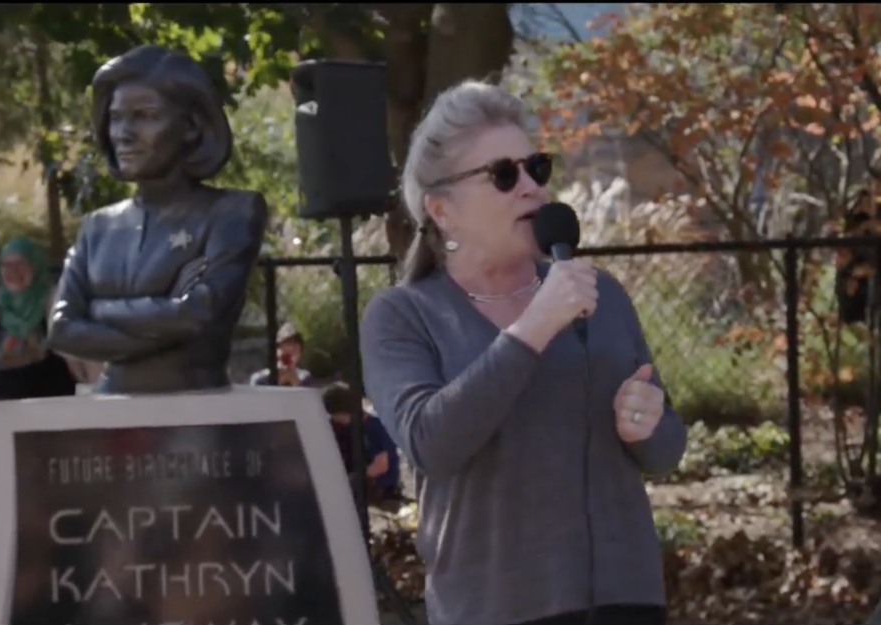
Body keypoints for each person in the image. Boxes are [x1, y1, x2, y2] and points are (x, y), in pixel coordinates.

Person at [359, 80, 687, 625]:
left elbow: (666, 450)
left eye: (536, 167)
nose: (531, 187)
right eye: (503, 175)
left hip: (624, 597)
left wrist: (648, 426)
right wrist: (534, 325)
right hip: (493, 605)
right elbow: (429, 444)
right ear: (444, 211)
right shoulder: (403, 316)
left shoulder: (598, 295)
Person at [47, 45, 269, 395]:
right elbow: (62, 330)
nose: (123, 133)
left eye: (145, 115)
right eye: (117, 117)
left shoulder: (233, 212)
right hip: (112, 409)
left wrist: (100, 309)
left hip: (200, 407)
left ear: (192, 126)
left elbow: (200, 314)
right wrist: (171, 323)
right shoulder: (97, 228)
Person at [0, 236, 101, 574]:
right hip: (5, 433)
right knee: (11, 508)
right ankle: (17, 577)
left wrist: (98, 404)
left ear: (34, 267)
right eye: (6, 266)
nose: (13, 273)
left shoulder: (56, 306)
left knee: (61, 504)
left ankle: (69, 572)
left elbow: (89, 362)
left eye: (20, 264)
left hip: (57, 432)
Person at [321, 381, 402, 504]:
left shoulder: (375, 427)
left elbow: (381, 466)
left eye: (338, 415)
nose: (336, 419)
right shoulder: (339, 426)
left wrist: (352, 479)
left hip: (379, 484)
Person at [249, 322, 313, 387]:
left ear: (300, 355)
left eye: (295, 350)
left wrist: (295, 382)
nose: (290, 348)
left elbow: (305, 395)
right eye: (286, 344)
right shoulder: (259, 380)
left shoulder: (304, 378)